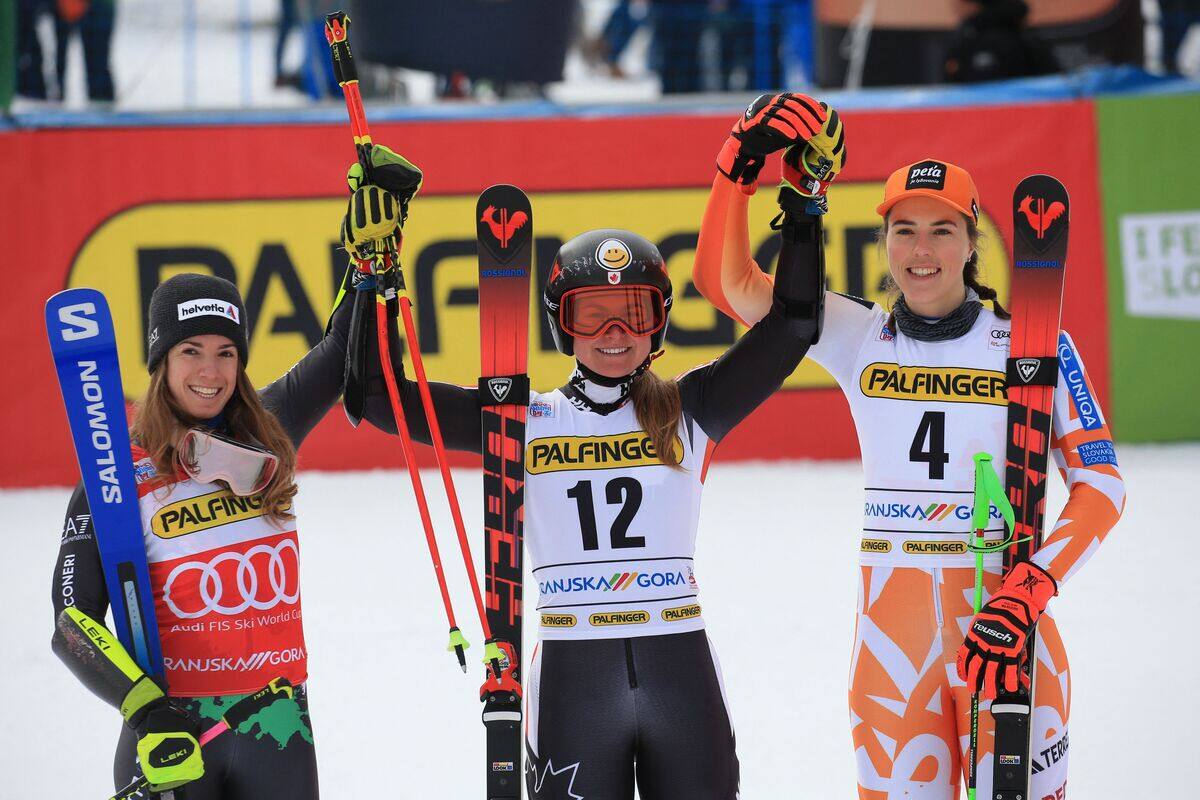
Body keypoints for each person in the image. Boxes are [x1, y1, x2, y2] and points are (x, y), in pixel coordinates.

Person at [351, 96, 841, 798]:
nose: (616, 334)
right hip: (574, 678)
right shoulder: (522, 420)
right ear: (563, 326)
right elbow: (379, 399)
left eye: (634, 313)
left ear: (659, 324)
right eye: (593, 316)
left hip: (679, 667)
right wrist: (370, 274)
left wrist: (804, 202)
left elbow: (792, 328)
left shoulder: (692, 409)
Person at [693, 144, 1125, 798]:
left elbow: (1102, 486)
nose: (922, 250)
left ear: (972, 243)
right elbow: (727, 285)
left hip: (1008, 632)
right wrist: (737, 169)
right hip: (891, 652)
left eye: (942, 230)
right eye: (904, 230)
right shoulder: (857, 334)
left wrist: (1031, 588)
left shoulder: (1037, 344)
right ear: (886, 242)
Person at [49, 155, 423, 798]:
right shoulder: (115, 474)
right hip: (173, 732)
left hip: (278, 720)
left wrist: (368, 266)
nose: (211, 371)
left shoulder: (267, 430)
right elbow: (71, 620)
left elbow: (343, 352)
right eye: (190, 351)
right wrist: (144, 709)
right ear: (161, 363)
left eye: (227, 353)